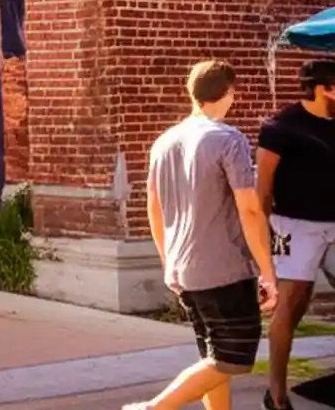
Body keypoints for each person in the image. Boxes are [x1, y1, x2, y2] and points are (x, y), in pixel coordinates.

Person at [130, 61, 277, 410]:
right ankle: (153, 409)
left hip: (184, 270)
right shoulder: (228, 139)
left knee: (213, 358)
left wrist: (169, 262)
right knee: (233, 358)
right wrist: (267, 271)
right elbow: (250, 209)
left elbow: (154, 207)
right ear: (227, 93)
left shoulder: (164, 142)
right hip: (224, 269)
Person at [257, 59, 335, 410]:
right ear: (325, 88)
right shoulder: (280, 127)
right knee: (292, 304)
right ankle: (276, 394)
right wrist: (262, 246)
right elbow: (262, 191)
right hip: (293, 226)